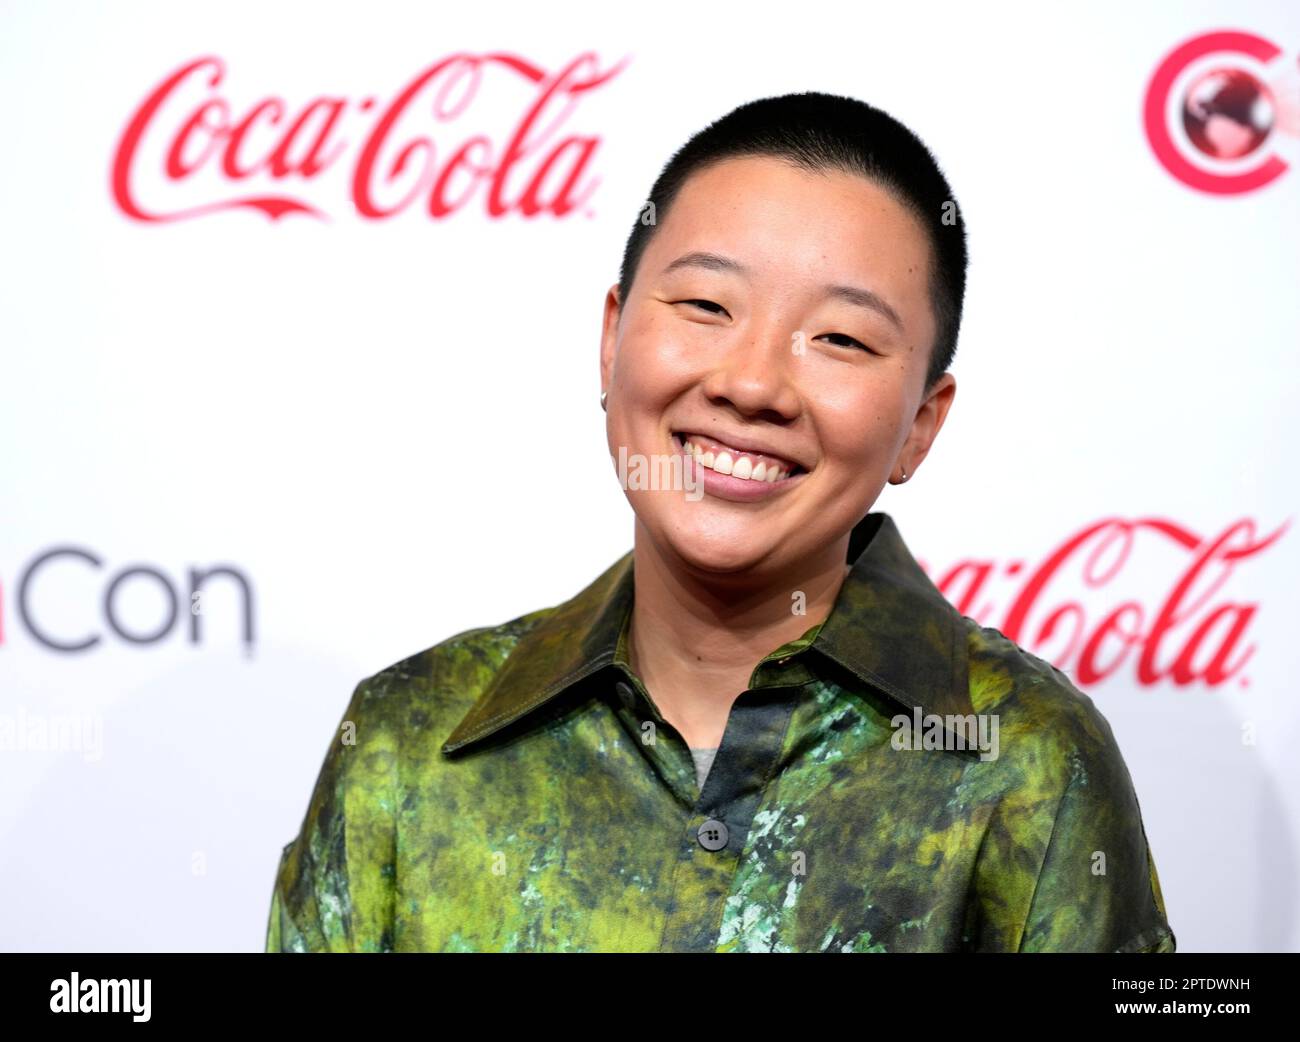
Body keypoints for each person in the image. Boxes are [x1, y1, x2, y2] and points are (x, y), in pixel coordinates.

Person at [264, 91, 1175, 953]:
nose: (749, 384)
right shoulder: (409, 739)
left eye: (841, 339)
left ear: (919, 427)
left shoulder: (1025, 761)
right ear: (611, 341)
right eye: (706, 306)